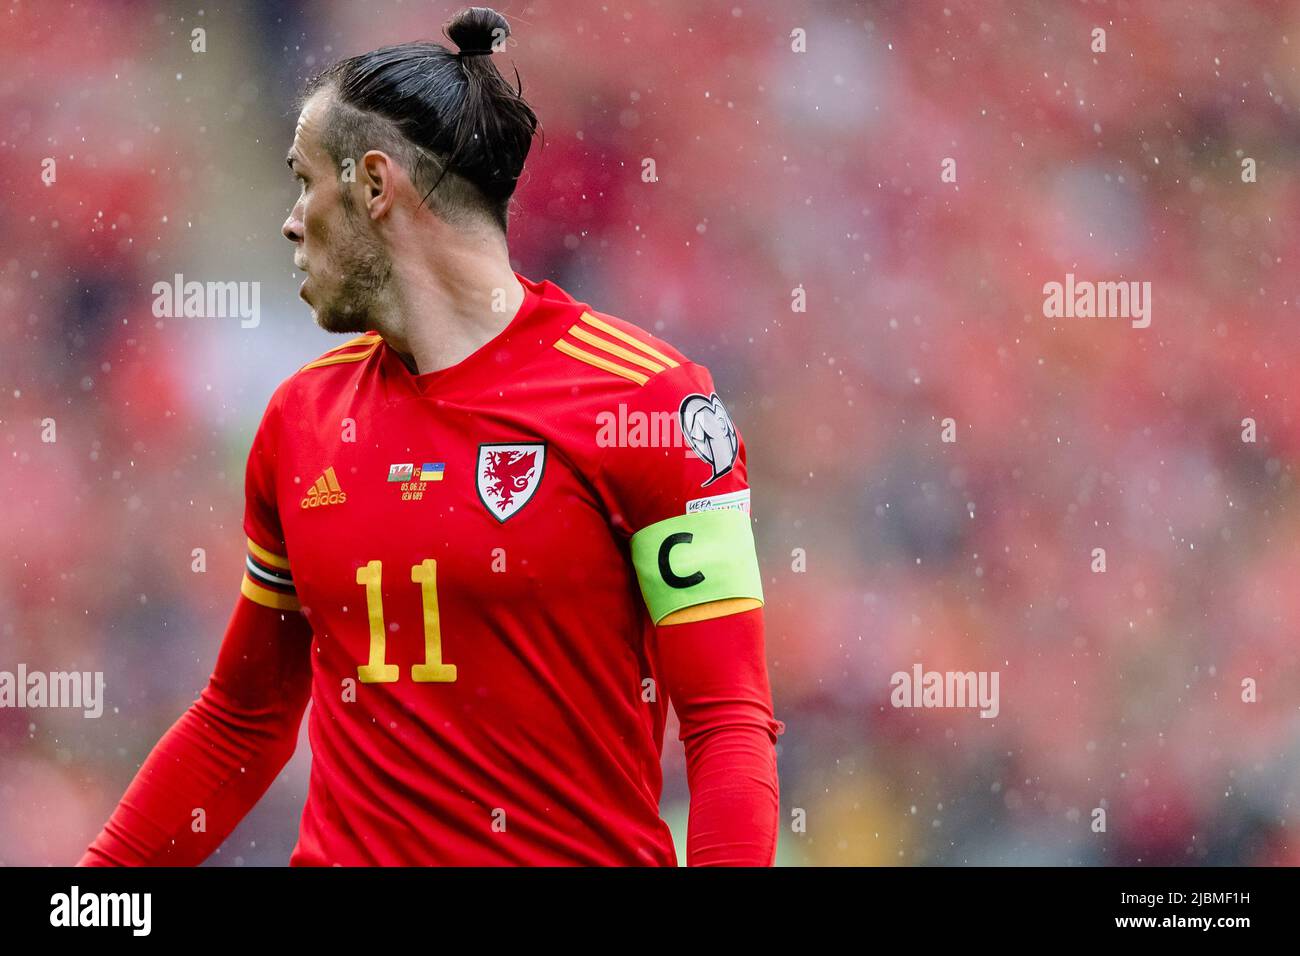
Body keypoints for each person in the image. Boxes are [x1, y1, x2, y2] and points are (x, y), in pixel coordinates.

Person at [79, 5, 781, 866]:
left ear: (375, 186)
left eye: (305, 182)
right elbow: (242, 719)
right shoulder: (301, 420)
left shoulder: (653, 405)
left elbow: (728, 721)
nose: (292, 223)